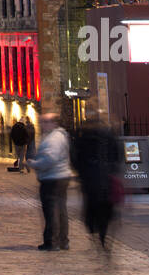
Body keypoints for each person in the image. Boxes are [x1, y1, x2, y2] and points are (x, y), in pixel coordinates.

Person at [73, 107, 121, 251]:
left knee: (92, 209)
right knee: (106, 209)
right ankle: (103, 236)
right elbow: (117, 155)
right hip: (106, 179)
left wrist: (81, 174)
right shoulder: (108, 135)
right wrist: (113, 170)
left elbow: (76, 157)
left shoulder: (83, 136)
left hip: (90, 180)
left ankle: (96, 235)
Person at [27, 112, 72, 251]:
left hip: (53, 178)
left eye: (45, 122)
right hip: (60, 176)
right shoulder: (57, 136)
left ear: (53, 123)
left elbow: (50, 159)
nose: (42, 125)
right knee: (60, 210)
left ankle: (52, 241)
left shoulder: (54, 138)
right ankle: (63, 240)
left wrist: (34, 164)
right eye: (42, 122)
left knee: (51, 210)